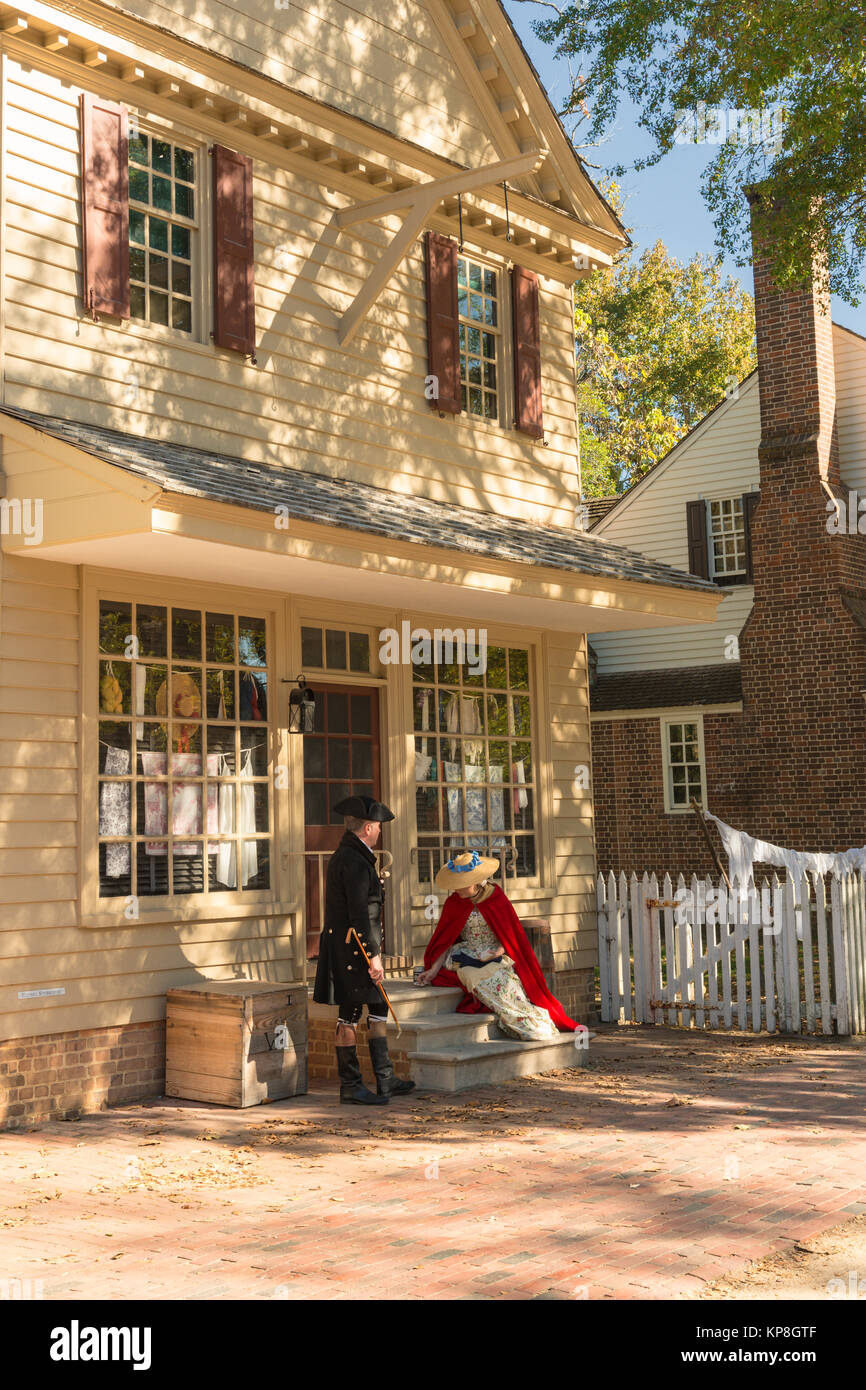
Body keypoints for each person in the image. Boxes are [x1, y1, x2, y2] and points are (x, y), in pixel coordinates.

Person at [416, 850, 586, 1040]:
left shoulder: (496, 898)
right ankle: (520, 1024)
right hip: (464, 958)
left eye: (461, 885)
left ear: (474, 882)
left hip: (493, 955)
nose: (457, 890)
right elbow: (445, 941)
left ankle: (534, 1018)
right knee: (483, 982)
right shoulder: (453, 903)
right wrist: (432, 970)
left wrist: (497, 952)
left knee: (507, 984)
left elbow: (510, 936)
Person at [313, 794, 415, 1105]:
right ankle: (351, 1085)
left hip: (355, 945)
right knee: (349, 1013)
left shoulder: (354, 855)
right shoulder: (354, 861)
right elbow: (360, 913)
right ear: (368, 828)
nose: (380, 831)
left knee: (379, 1008)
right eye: (378, 827)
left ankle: (384, 1079)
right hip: (352, 949)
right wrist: (373, 956)